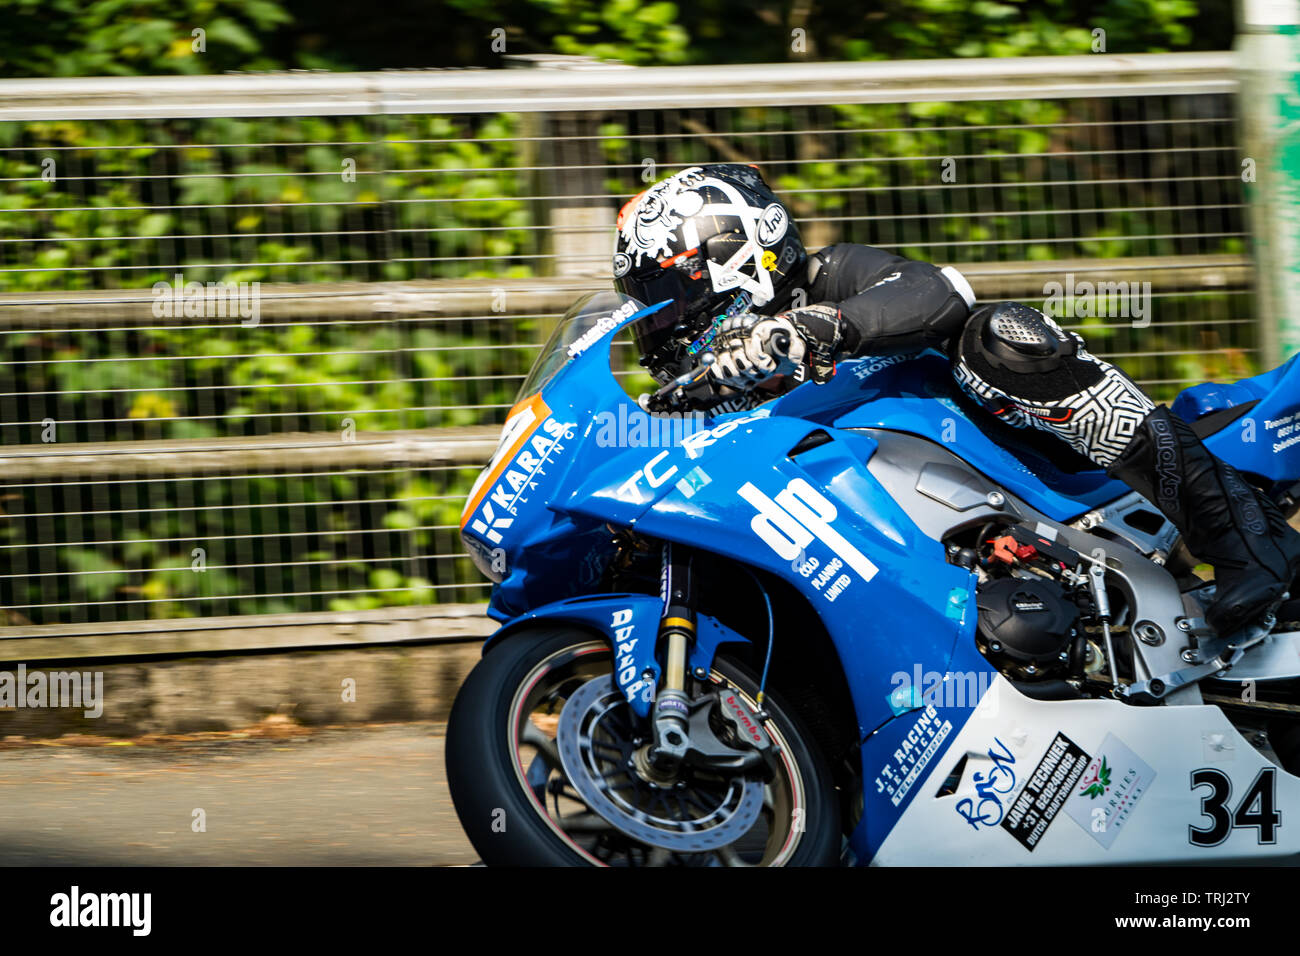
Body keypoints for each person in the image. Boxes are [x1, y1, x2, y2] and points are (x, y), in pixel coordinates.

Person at [612, 163, 1300, 637]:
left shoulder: (833, 278)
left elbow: (941, 292)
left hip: (1062, 478)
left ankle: (1243, 535)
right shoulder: (702, 401)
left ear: (736, 258)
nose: (662, 328)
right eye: (651, 314)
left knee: (1000, 335)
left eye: (670, 303)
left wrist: (818, 326)